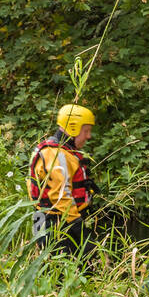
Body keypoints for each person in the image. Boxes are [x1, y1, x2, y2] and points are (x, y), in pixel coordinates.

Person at [29, 104, 97, 259]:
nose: (88, 136)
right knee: (59, 272)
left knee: (51, 268)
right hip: (56, 223)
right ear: (73, 128)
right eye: (86, 131)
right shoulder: (55, 154)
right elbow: (60, 196)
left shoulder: (59, 151)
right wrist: (79, 228)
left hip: (48, 219)